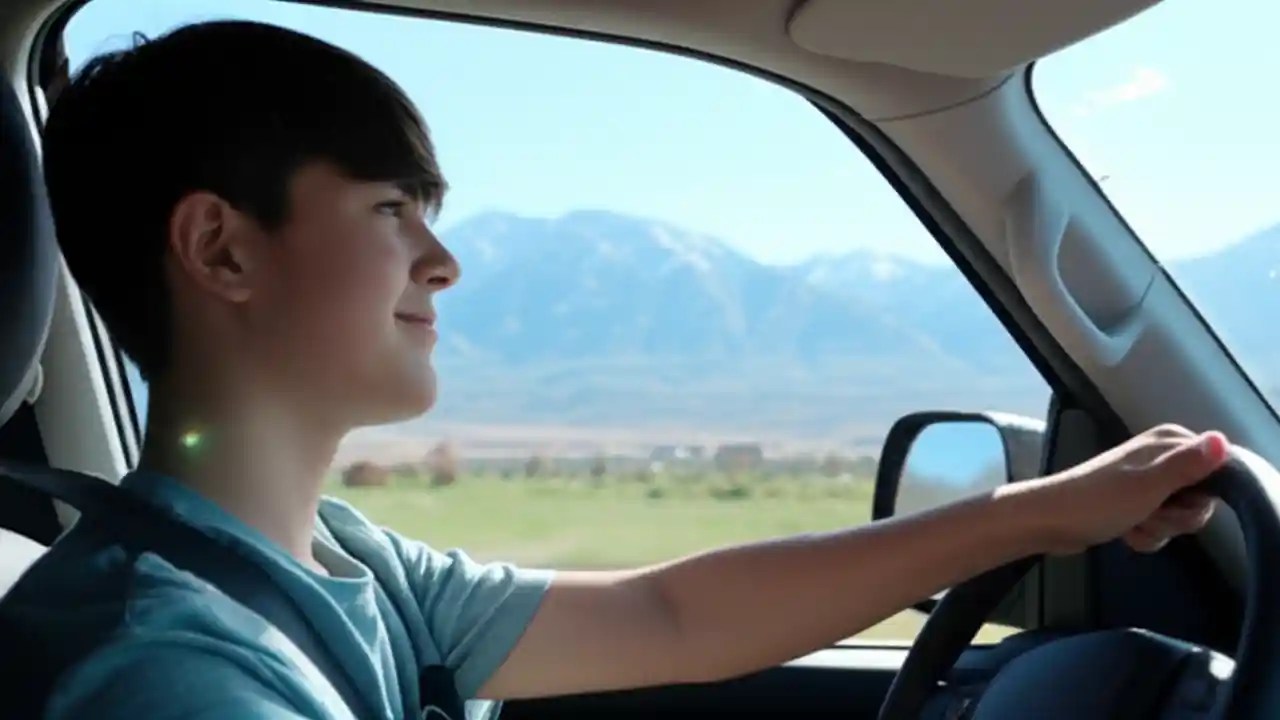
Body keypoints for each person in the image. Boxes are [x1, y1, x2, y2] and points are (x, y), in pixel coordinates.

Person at [7, 18, 1228, 720]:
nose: (443, 264)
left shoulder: (338, 563)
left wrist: (1040, 513)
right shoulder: (168, 671)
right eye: (391, 210)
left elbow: (671, 612)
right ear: (221, 247)